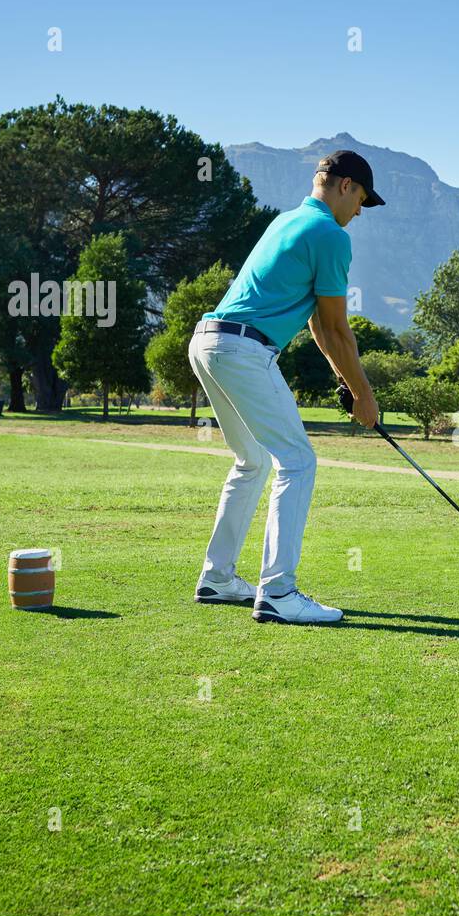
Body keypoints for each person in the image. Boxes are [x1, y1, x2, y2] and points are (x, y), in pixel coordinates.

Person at [187, 150, 383, 624]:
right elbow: (337, 327)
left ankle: (218, 578)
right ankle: (278, 592)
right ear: (345, 186)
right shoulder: (330, 236)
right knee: (297, 460)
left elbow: (318, 323)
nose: (359, 212)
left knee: (251, 460)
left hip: (207, 342)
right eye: (361, 200)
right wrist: (365, 395)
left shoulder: (288, 221)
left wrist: (345, 379)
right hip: (243, 351)